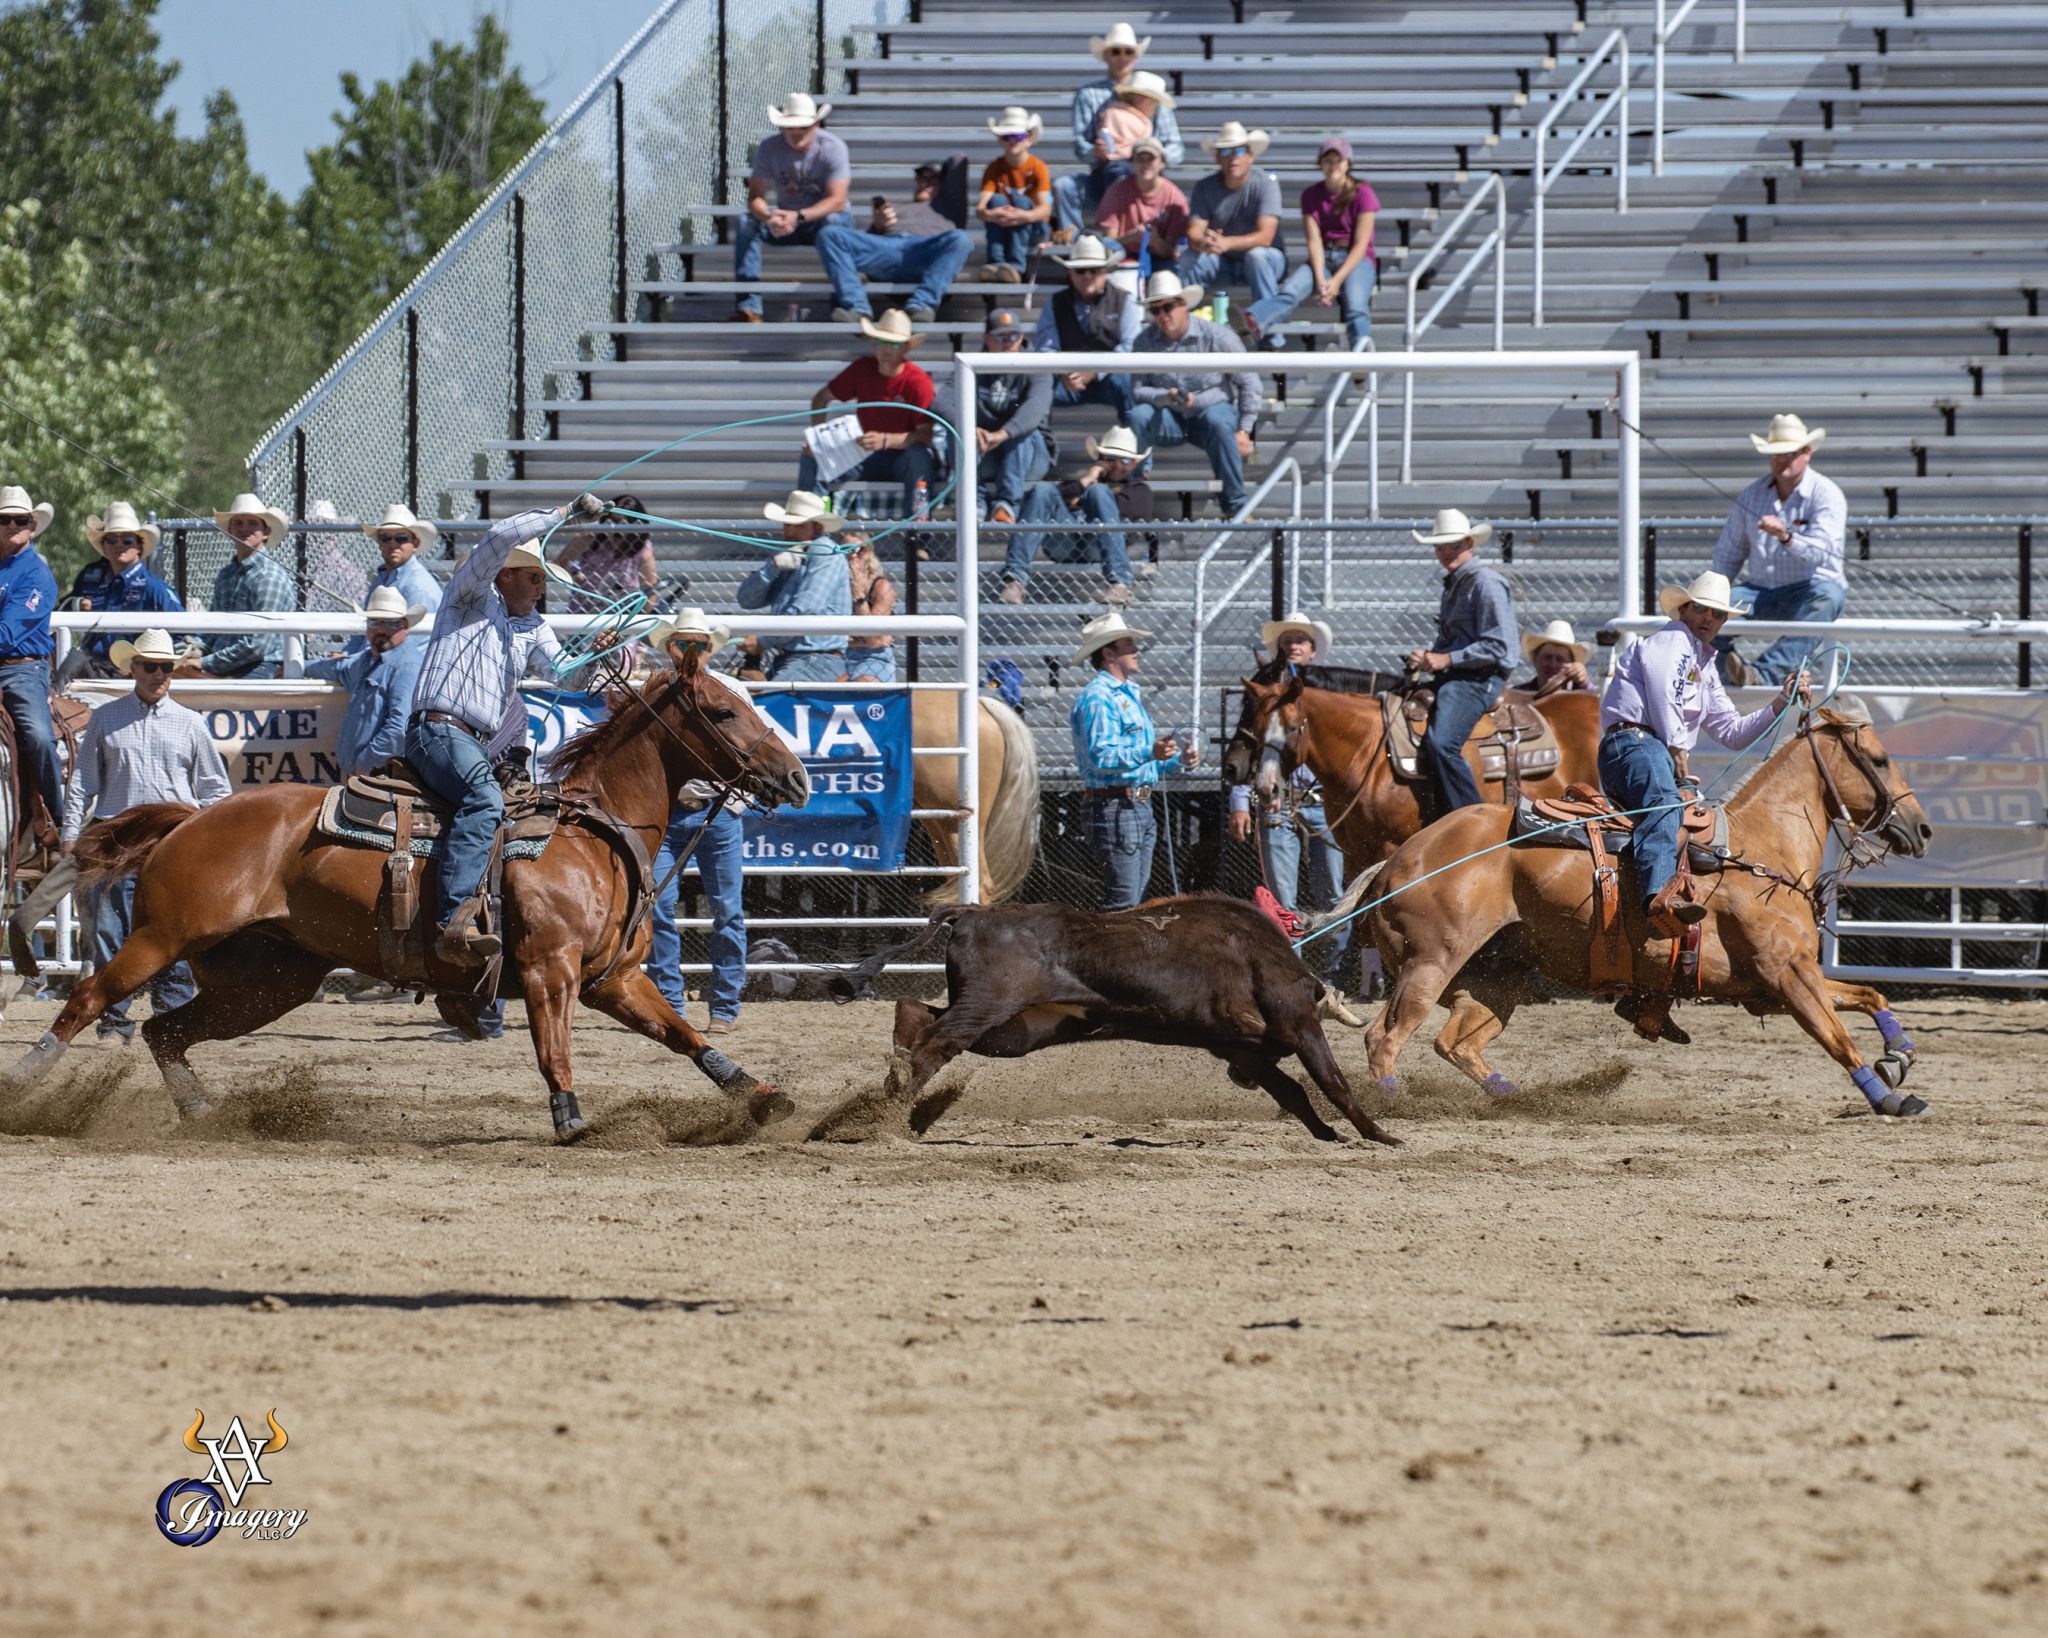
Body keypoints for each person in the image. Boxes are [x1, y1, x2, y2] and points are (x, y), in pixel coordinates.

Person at [406, 493, 601, 966]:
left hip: (471, 743)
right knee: (483, 799)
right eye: (534, 576)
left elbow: (568, 677)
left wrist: (598, 651)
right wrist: (565, 513)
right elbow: (497, 537)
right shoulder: (470, 597)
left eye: (543, 579)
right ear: (505, 574)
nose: (541, 587)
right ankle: (452, 920)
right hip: (439, 732)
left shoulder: (533, 627)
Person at [1601, 570, 1804, 936]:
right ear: (1684, 609)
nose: (1709, 618)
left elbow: (1732, 731)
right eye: (1701, 609)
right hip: (1634, 743)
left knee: (1680, 815)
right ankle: (1659, 900)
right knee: (1665, 804)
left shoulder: (1704, 666)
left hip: (1647, 748)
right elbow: (1664, 692)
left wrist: (1780, 702)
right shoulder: (1674, 639)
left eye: (1718, 613)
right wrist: (1678, 748)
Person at [61, 627, 232, 1043]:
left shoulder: (190, 723)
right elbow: (82, 782)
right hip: (117, 837)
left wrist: (213, 840)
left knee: (175, 930)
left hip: (173, 840)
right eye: (151, 666)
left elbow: (216, 789)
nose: (159, 674)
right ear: (133, 668)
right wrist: (69, 833)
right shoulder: (106, 718)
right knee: (109, 930)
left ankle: (170, 1016)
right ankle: (115, 1019)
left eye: (166, 667)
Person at [642, 609, 750, 1035]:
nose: (692, 651)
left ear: (710, 649)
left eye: (699, 645)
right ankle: (671, 1004)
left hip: (716, 811)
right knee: (659, 908)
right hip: (669, 813)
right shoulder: (655, 691)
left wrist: (736, 800)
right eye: (684, 644)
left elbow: (756, 745)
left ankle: (723, 1005)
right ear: (670, 647)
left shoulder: (731, 690)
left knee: (728, 910)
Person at [1226, 612, 1351, 975]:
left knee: (1333, 893)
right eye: (1287, 641)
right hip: (1277, 803)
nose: (1293, 646)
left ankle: (1338, 971)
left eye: (1300, 640)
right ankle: (1292, 974)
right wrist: (1239, 801)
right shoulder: (1264, 694)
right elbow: (1247, 745)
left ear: (1312, 650)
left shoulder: (1328, 695)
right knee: (1283, 899)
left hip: (1322, 803)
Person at [1070, 609, 1196, 910]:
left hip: (1132, 806)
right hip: (1116, 807)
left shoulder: (1123, 695)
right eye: (1128, 644)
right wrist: (1151, 752)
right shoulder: (1099, 697)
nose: (1136, 650)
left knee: (1134, 902)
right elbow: (1101, 756)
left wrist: (1177, 760)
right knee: (1125, 901)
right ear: (1109, 653)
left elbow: (1143, 763)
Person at [1712, 413, 1848, 686]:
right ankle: (1732, 678)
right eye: (1776, 454)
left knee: (1829, 598)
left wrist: (1786, 536)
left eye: (1789, 453)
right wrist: (1713, 592)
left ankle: (1760, 675)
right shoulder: (1751, 495)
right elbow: (1729, 553)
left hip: (1808, 588)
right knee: (1707, 613)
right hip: (1760, 589)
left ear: (1807, 453)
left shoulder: (1826, 494)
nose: (1781, 460)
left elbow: (1822, 552)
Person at [1404, 508, 1517, 819]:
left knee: (1442, 743)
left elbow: (1499, 645)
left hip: (1479, 678)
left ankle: (1473, 818)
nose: (1445, 552)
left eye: (1453, 545)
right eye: (1440, 547)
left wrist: (1445, 658)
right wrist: (1430, 657)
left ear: (1469, 544)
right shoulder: (1457, 582)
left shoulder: (1485, 583)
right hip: (1458, 675)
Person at [1127, 270, 1260, 518]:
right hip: (1170, 418)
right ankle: (1134, 495)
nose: (1162, 315)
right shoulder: (1143, 341)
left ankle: (1236, 505)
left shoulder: (1217, 336)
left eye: (1167, 307)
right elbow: (1137, 390)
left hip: (1208, 418)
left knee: (1218, 420)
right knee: (1138, 416)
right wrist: (1165, 397)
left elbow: (1250, 382)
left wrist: (1244, 430)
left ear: (1183, 304)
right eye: (1155, 310)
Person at [797, 309, 942, 514]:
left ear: (906, 348)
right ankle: (809, 523)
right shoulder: (862, 368)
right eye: (882, 342)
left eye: (894, 344)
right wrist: (819, 439)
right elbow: (821, 398)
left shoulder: (918, 381)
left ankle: (917, 529)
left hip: (901, 457)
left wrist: (886, 440)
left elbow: (926, 436)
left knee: (919, 456)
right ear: (874, 344)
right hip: (861, 454)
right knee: (813, 453)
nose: (887, 349)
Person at [1244, 136, 1378, 351]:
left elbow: (1361, 244)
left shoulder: (1363, 192)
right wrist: (1321, 280)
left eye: (1338, 160)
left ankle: (1361, 356)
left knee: (1356, 306)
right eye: (1328, 161)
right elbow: (1313, 240)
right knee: (1290, 292)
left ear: (1348, 164)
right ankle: (1252, 322)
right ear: (1321, 164)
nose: (1333, 166)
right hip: (1324, 256)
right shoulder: (1311, 195)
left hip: (1356, 258)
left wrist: (1335, 281)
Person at [1054, 23, 1187, 237]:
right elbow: (1080, 145)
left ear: (1135, 56)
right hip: (1105, 172)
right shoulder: (1088, 95)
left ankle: (1126, 238)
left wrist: (1152, 157)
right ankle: (1077, 246)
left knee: (1122, 180)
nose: (1122, 57)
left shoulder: (1153, 94)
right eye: (1116, 51)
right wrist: (1095, 152)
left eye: (1128, 51)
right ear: (1106, 55)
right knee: (1064, 186)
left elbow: (1175, 148)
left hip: (1144, 177)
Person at [1002, 424, 1153, 605]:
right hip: (1064, 541)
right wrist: (1086, 481)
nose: (1117, 465)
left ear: (1135, 463)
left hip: (1100, 546)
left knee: (1098, 492)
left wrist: (1084, 498)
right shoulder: (1081, 483)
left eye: (1125, 460)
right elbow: (1045, 499)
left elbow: (1127, 514)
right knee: (1042, 488)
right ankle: (1015, 581)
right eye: (1110, 458)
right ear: (1100, 459)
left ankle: (1120, 584)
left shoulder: (1139, 490)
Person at [732, 91, 849, 323]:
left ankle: (843, 301)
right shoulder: (769, 147)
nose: (796, 133)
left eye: (802, 127)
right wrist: (769, 217)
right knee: (746, 222)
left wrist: (799, 216)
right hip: (786, 221)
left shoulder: (833, 147)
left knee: (835, 223)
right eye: (790, 127)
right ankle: (749, 307)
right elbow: (755, 197)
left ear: (815, 124)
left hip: (819, 221)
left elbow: (837, 200)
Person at [815, 162, 973, 324]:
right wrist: (877, 226)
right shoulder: (894, 207)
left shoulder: (950, 209)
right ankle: (857, 309)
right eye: (921, 180)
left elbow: (958, 160)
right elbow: (866, 244)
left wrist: (945, 178)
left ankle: (921, 306)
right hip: (887, 249)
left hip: (924, 252)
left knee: (960, 239)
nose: (924, 184)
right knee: (830, 234)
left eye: (932, 181)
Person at [304, 586, 429, 778]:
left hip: (385, 774)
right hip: (369, 774)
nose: (381, 629)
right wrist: (294, 668)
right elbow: (335, 668)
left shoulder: (407, 666)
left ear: (404, 627)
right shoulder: (366, 660)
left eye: (391, 623)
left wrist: (367, 763)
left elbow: (401, 726)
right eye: (374, 622)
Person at [1183, 120, 1287, 349]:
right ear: (1217, 157)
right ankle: (1184, 333)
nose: (1233, 158)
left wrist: (1226, 242)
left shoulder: (1266, 183)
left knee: (1257, 256)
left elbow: (1266, 237)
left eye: (1239, 151)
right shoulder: (1204, 187)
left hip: (1266, 262)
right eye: (1226, 151)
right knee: (1189, 258)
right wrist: (1204, 241)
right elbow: (1194, 232)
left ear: (1250, 156)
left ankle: (1270, 339)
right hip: (1224, 262)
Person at [945, 309, 1052, 523]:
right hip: (986, 452)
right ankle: (974, 502)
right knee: (956, 432)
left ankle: (1006, 504)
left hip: (1029, 457)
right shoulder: (969, 366)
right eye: (1000, 337)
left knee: (1023, 432)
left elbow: (1035, 409)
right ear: (986, 338)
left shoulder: (1037, 365)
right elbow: (941, 401)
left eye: (1013, 336)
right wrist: (969, 428)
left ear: (1021, 337)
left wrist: (1002, 434)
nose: (1008, 342)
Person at [0, 484, 64, 839]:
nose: (12, 525)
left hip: (20, 669)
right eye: (5, 519)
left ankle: (58, 817)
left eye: (20, 520)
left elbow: (8, 633)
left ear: (32, 525)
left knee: (38, 736)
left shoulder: (36, 575)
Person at [736, 490, 853, 683]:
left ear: (817, 528)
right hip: (795, 660)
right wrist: (772, 567)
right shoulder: (790, 555)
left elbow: (807, 609)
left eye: (796, 525)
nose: (788, 532)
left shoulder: (826, 552)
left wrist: (762, 640)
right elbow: (746, 600)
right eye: (786, 524)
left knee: (771, 699)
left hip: (817, 660)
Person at [176, 493, 295, 680]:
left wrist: (204, 662)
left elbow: (259, 645)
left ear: (266, 532)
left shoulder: (269, 577)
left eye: (252, 523)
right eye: (238, 523)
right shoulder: (226, 574)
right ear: (230, 530)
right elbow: (212, 629)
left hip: (263, 665)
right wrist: (195, 649)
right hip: (225, 662)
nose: (244, 528)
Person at [65, 500, 184, 680]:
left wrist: (151, 664)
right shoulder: (92, 579)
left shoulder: (154, 588)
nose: (119, 545)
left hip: (133, 673)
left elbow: (183, 632)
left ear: (139, 546)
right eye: (112, 540)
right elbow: (63, 610)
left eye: (127, 540)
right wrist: (77, 605)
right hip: (95, 666)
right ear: (104, 547)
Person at [1034, 234, 1141, 419]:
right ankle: (1040, 438)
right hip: (1067, 382)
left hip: (1110, 380)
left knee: (1126, 379)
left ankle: (1131, 435)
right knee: (1039, 383)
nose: (1087, 276)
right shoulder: (1055, 302)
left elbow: (1130, 347)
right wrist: (1064, 373)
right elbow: (1046, 349)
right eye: (1080, 270)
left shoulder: (1125, 300)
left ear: (1105, 271)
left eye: (1094, 270)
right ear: (1070, 273)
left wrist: (1095, 371)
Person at [352, 503, 446, 654]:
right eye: (385, 538)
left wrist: (351, 659)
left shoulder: (418, 587)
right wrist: (346, 655)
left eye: (401, 538)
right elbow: (368, 630)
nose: (392, 544)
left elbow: (407, 647)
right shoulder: (382, 577)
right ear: (379, 543)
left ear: (415, 543)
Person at [977, 107, 1053, 280]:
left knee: (1022, 202)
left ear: (1028, 139)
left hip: (1034, 227)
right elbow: (981, 208)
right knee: (996, 200)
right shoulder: (993, 168)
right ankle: (996, 263)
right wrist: (991, 214)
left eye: (1017, 136)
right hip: (1004, 225)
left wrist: (1023, 216)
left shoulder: (1038, 167)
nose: (1012, 141)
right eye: (1006, 136)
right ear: (1000, 140)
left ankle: (1016, 266)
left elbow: (1045, 209)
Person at [1095, 138, 1190, 268]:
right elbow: (1108, 244)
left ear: (1162, 162)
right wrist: (1131, 237)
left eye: (1151, 159)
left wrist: (1155, 241)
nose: (1145, 164)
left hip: (1160, 260)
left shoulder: (1174, 197)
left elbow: (1171, 252)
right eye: (1140, 159)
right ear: (1133, 162)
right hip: (1124, 256)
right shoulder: (1117, 191)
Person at [554, 493, 659, 606]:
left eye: (622, 529)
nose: (614, 534)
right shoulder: (591, 538)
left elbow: (649, 589)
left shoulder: (642, 548)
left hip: (622, 608)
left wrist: (640, 613)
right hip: (584, 607)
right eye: (611, 523)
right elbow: (558, 564)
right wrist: (574, 573)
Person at [843, 531, 898, 682]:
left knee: (865, 683)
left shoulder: (881, 586)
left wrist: (859, 597)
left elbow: (874, 640)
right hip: (837, 656)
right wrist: (859, 641)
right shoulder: (834, 584)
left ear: (868, 553)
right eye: (846, 550)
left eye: (858, 550)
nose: (852, 556)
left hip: (872, 658)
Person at [1520, 619, 1594, 697]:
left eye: (1560, 659)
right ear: (1535, 659)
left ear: (1571, 664)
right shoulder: (1518, 694)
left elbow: (1597, 699)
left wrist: (1583, 682)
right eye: (1547, 657)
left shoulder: (1580, 694)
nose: (1553, 664)